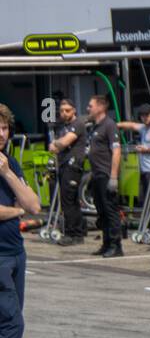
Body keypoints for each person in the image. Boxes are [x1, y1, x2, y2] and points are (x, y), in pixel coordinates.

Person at [0, 104, 42, 338]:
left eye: (4, 128)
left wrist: (8, 174)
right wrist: (15, 211)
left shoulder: (10, 163)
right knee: (13, 324)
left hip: (16, 253)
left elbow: (34, 206)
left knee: (6, 326)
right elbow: (18, 211)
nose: (0, 134)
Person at [45, 98, 87, 247]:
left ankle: (71, 234)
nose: (64, 113)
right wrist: (56, 145)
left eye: (67, 110)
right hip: (64, 165)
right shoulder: (64, 126)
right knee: (70, 200)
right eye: (62, 111)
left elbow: (63, 143)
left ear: (74, 110)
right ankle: (77, 232)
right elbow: (57, 147)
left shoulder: (77, 124)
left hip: (73, 166)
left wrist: (55, 143)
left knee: (68, 201)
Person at [84, 95, 123, 257]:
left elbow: (116, 151)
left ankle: (116, 246)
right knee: (102, 211)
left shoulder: (109, 125)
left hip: (106, 174)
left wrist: (113, 177)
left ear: (101, 107)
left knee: (111, 211)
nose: (88, 108)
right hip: (97, 175)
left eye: (90, 105)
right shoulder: (95, 127)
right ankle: (106, 243)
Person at [117, 104, 150, 203]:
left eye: (147, 115)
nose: (144, 118)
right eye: (142, 115)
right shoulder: (143, 128)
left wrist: (147, 149)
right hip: (145, 171)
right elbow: (131, 125)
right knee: (145, 200)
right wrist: (115, 125)